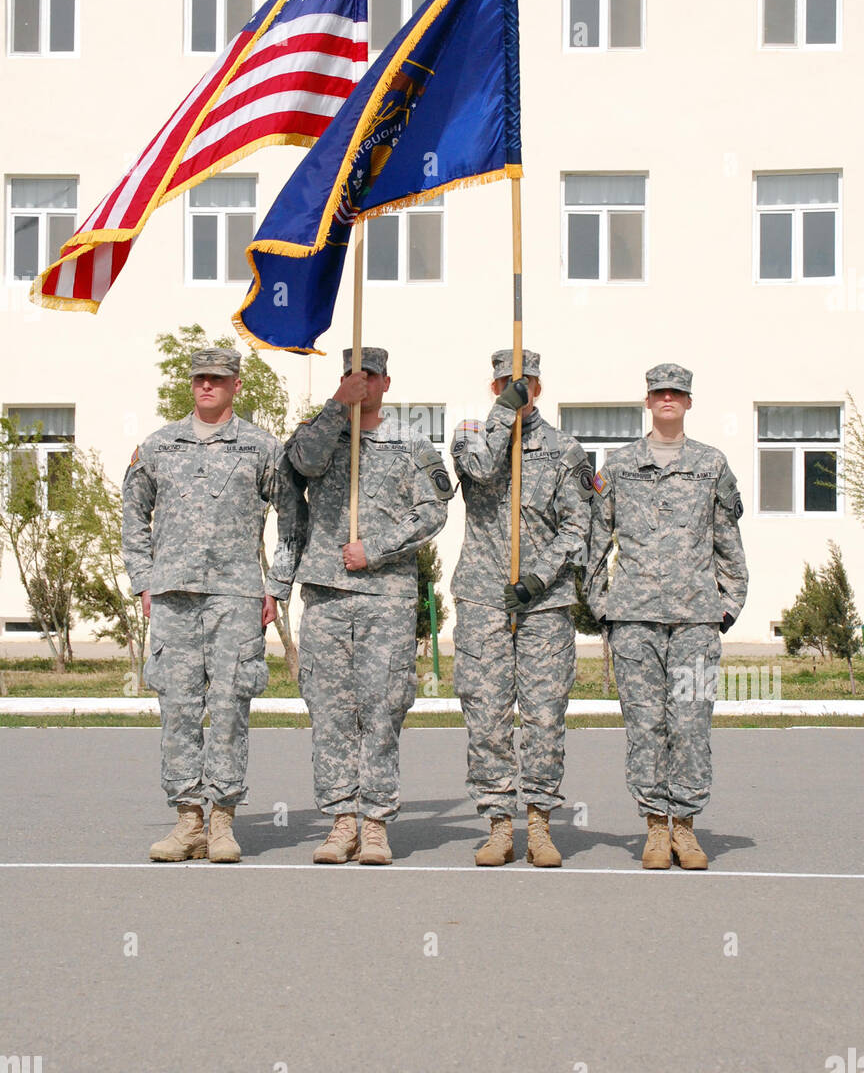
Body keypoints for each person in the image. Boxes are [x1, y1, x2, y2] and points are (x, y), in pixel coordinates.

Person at [122, 348, 306, 863]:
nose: (207, 386)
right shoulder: (159, 445)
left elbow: (292, 518)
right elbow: (133, 516)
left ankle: (223, 822)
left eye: (218, 379)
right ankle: (187, 822)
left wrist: (277, 586)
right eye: (200, 378)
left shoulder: (261, 447)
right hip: (174, 596)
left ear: (236, 386)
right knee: (178, 710)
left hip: (236, 597)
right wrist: (143, 582)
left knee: (228, 709)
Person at [285, 347, 452, 865]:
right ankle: (340, 821)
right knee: (331, 712)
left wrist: (375, 548)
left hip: (386, 595)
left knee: (382, 709)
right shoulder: (320, 434)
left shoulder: (411, 444)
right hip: (327, 594)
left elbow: (434, 511)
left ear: (386, 383)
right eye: (353, 375)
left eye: (371, 376)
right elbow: (301, 464)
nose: (363, 383)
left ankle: (376, 823)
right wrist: (337, 406)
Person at [584, 363, 748, 871]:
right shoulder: (619, 465)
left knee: (691, 724)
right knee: (645, 725)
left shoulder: (711, 464)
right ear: (648, 401)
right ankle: (656, 827)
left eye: (677, 393)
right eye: (660, 393)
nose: (668, 400)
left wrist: (729, 603)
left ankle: (687, 828)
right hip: (634, 619)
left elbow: (728, 541)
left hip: (696, 620)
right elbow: (596, 540)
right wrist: (601, 605)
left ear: (689, 402)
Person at [450, 349, 594, 867]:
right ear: (493, 388)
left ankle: (538, 822)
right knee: (486, 715)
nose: (518, 389)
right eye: (508, 383)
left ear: (540, 385)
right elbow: (483, 472)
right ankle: (497, 824)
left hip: (544, 602)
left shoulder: (565, 450)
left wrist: (539, 577)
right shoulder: (470, 434)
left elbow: (579, 525)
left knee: (543, 716)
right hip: (484, 597)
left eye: (526, 382)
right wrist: (501, 418)